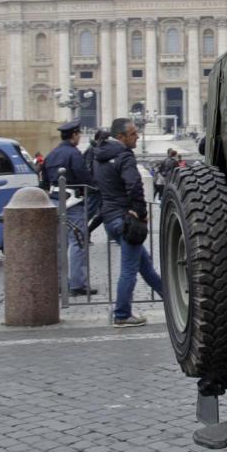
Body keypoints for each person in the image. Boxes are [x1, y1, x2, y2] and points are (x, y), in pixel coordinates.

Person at [95, 118, 163, 327]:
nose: (137, 136)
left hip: (110, 219)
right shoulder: (124, 156)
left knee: (145, 264)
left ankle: (171, 298)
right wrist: (140, 213)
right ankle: (122, 314)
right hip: (126, 219)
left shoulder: (99, 156)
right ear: (120, 137)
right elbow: (134, 184)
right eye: (133, 134)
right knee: (129, 270)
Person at [42, 120, 98, 297]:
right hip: (72, 202)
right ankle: (77, 284)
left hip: (54, 200)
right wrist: (94, 186)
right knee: (77, 242)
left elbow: (43, 181)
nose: (79, 137)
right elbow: (84, 177)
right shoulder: (74, 154)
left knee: (59, 244)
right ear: (74, 135)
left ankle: (59, 282)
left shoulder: (51, 155)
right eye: (78, 134)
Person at [83, 128, 108, 237]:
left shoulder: (98, 150)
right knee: (89, 212)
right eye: (105, 139)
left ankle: (87, 232)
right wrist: (94, 184)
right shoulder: (91, 150)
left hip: (100, 186)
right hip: (94, 188)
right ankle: (82, 232)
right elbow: (88, 168)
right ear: (99, 139)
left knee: (104, 212)